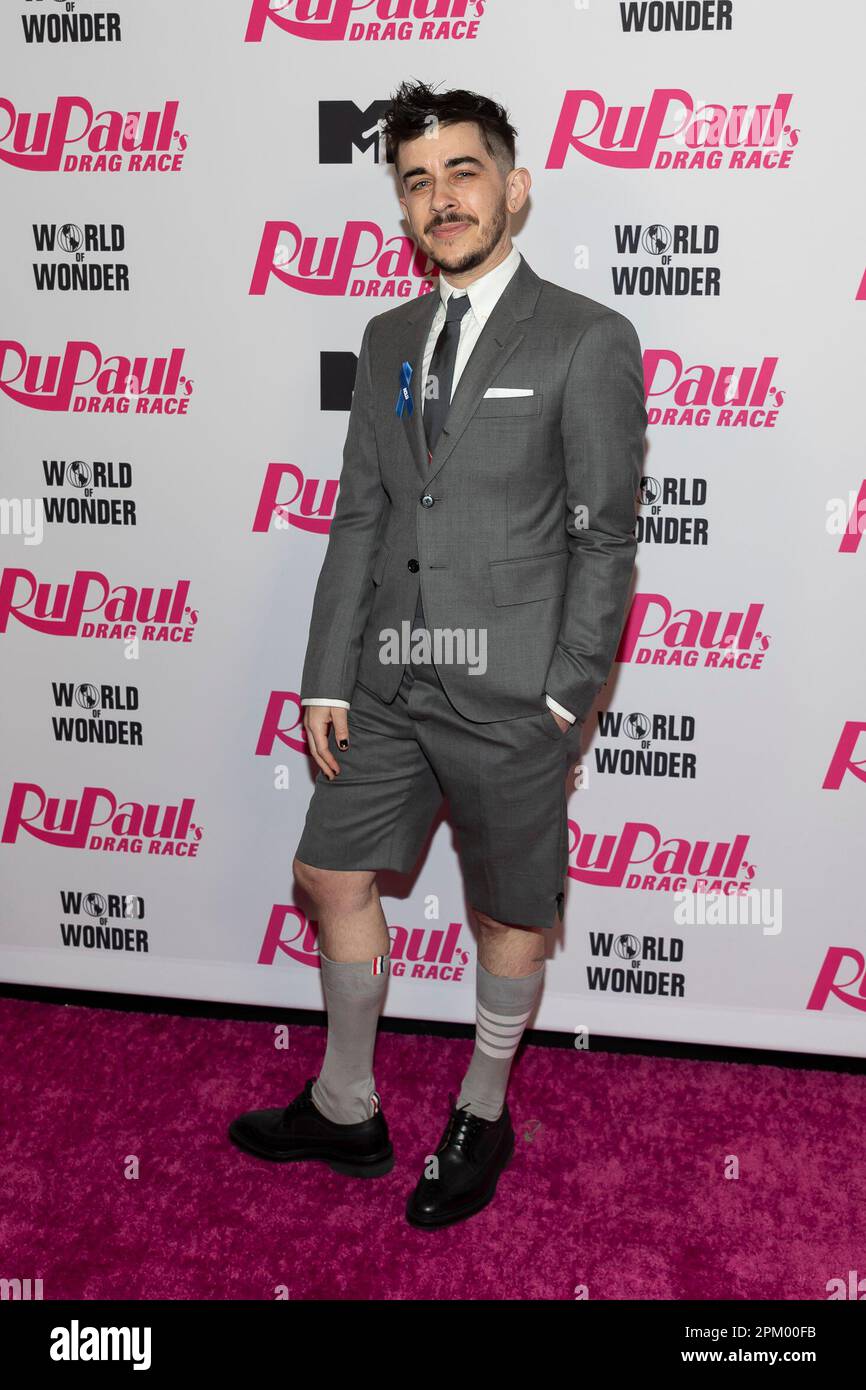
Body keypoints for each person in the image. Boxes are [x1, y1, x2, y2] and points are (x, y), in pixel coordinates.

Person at [230, 80, 647, 1229]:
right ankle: (346, 1101)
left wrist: (565, 699)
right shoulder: (387, 338)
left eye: (463, 172)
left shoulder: (585, 337)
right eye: (416, 180)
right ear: (402, 209)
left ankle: (481, 1102)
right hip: (385, 679)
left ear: (513, 188)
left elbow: (605, 536)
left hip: (513, 692)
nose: (440, 197)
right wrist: (325, 671)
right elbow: (360, 512)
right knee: (328, 874)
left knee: (509, 907)